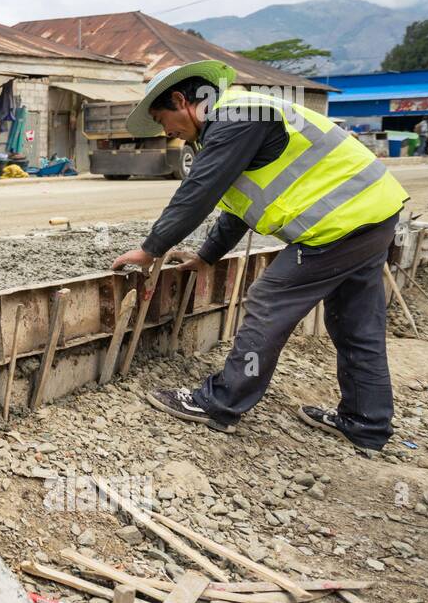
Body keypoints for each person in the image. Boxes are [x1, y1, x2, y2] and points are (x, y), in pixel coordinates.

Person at [112, 60, 409, 452]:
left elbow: (198, 191)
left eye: (162, 118)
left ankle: (221, 403)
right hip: (373, 215)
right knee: (356, 325)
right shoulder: (239, 119)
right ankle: (365, 424)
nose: (167, 132)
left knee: (269, 301)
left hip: (338, 226)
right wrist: (206, 257)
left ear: (182, 100)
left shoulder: (238, 114)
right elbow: (237, 208)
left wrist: (151, 250)